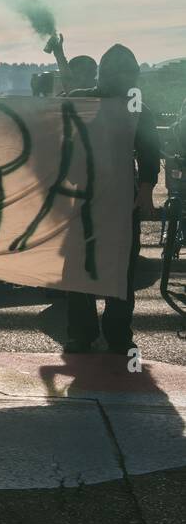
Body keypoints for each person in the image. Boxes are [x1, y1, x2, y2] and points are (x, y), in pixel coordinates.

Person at [64, 44, 160, 354]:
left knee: (121, 267)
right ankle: (82, 332)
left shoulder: (138, 108)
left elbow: (149, 150)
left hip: (121, 196)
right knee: (80, 266)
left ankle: (117, 331)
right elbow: (50, 128)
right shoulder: (81, 99)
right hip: (83, 195)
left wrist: (145, 188)